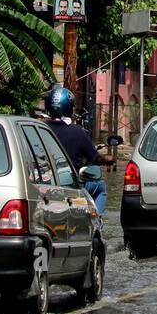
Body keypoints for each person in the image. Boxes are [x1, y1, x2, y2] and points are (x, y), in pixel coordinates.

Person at [44, 86, 107, 216]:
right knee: (100, 187)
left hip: (43, 183)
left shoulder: (38, 129)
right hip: (70, 184)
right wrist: (108, 160)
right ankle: (98, 219)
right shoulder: (77, 132)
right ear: (68, 108)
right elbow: (95, 158)